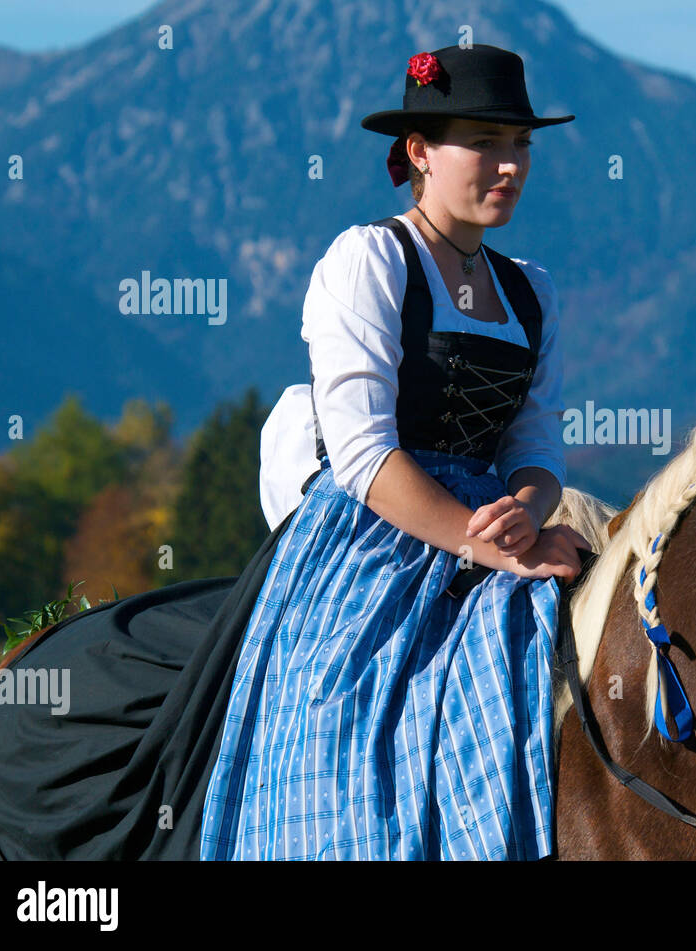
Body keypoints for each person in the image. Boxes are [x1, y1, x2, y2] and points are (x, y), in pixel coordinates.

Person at [197, 44, 590, 861]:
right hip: (375, 535)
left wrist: (522, 513)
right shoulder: (370, 259)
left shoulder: (532, 289)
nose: (510, 165)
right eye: (485, 142)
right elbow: (365, 453)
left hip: (494, 529)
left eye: (520, 144)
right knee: (344, 719)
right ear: (419, 151)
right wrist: (480, 539)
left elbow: (537, 443)